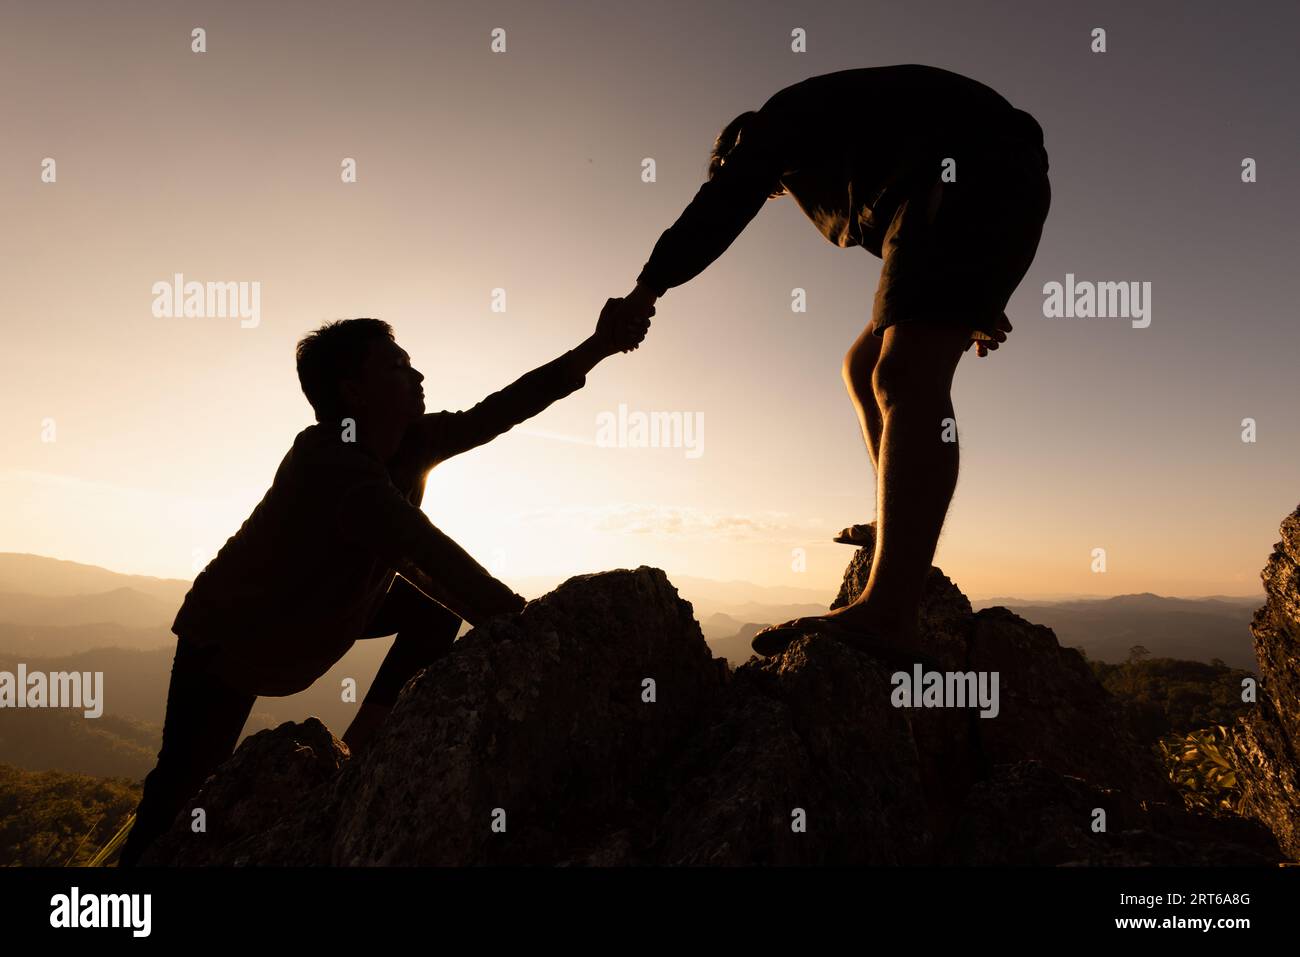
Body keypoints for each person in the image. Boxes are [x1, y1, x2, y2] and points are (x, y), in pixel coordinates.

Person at [117, 300, 650, 867]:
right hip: (232, 638)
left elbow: (499, 411)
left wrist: (596, 348)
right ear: (353, 391)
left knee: (432, 615)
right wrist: (528, 624)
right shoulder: (329, 461)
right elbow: (425, 553)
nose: (417, 374)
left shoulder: (408, 442)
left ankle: (357, 751)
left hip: (323, 609)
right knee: (181, 785)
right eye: (397, 366)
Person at [606, 65, 1051, 658]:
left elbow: (719, 209)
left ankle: (887, 614)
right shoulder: (845, 130)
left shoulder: (777, 124)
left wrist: (647, 288)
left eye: (771, 186)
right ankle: (891, 527)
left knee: (903, 374)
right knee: (862, 363)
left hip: (968, 174)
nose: (780, 194)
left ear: (741, 149)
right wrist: (971, 292)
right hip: (975, 185)